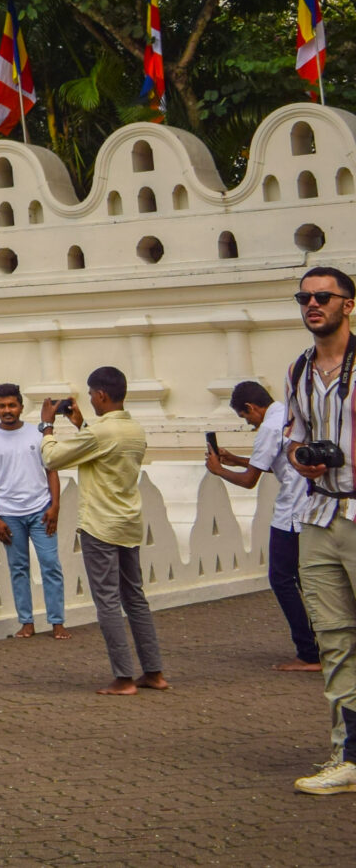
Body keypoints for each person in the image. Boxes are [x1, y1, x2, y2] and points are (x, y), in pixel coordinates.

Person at [42, 366, 169, 696]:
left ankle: (124, 677)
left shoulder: (100, 433)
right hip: (127, 522)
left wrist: (47, 425)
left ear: (100, 395)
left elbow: (52, 458)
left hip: (99, 525)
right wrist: (81, 424)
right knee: (135, 599)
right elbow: (100, 449)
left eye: (91, 395)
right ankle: (153, 672)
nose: (90, 400)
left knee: (108, 602)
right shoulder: (135, 430)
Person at [281, 266, 356, 795]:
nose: (313, 304)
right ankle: (346, 755)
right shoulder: (299, 370)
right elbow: (294, 435)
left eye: (323, 297)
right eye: (305, 297)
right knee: (334, 642)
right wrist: (298, 458)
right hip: (318, 515)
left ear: (347, 305)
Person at [207, 377, 322, 671]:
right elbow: (279, 462)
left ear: (250, 407)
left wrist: (219, 470)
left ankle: (308, 651)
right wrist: (234, 459)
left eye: (245, 417)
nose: (249, 424)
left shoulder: (269, 427)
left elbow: (249, 481)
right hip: (315, 507)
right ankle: (322, 643)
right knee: (310, 579)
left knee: (282, 580)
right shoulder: (290, 413)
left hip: (291, 514)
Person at [0, 384, 66, 640]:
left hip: (41, 511)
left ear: (21, 407)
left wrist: (55, 506)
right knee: (18, 568)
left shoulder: (37, 435)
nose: (7, 410)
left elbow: (52, 470)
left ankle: (57, 622)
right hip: (8, 515)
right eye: (2, 406)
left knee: (50, 565)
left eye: (12, 405)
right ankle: (26, 622)